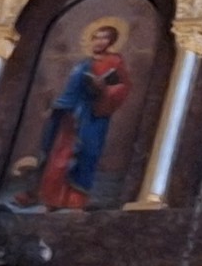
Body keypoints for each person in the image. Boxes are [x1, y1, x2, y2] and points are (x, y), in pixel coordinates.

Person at [17, 19, 131, 210]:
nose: (100, 42)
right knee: (59, 157)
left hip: (93, 116)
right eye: (96, 37)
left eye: (105, 38)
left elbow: (122, 87)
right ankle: (51, 199)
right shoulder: (82, 64)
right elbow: (70, 91)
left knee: (86, 154)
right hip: (69, 116)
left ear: (111, 41)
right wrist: (58, 106)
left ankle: (75, 201)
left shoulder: (115, 62)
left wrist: (104, 89)